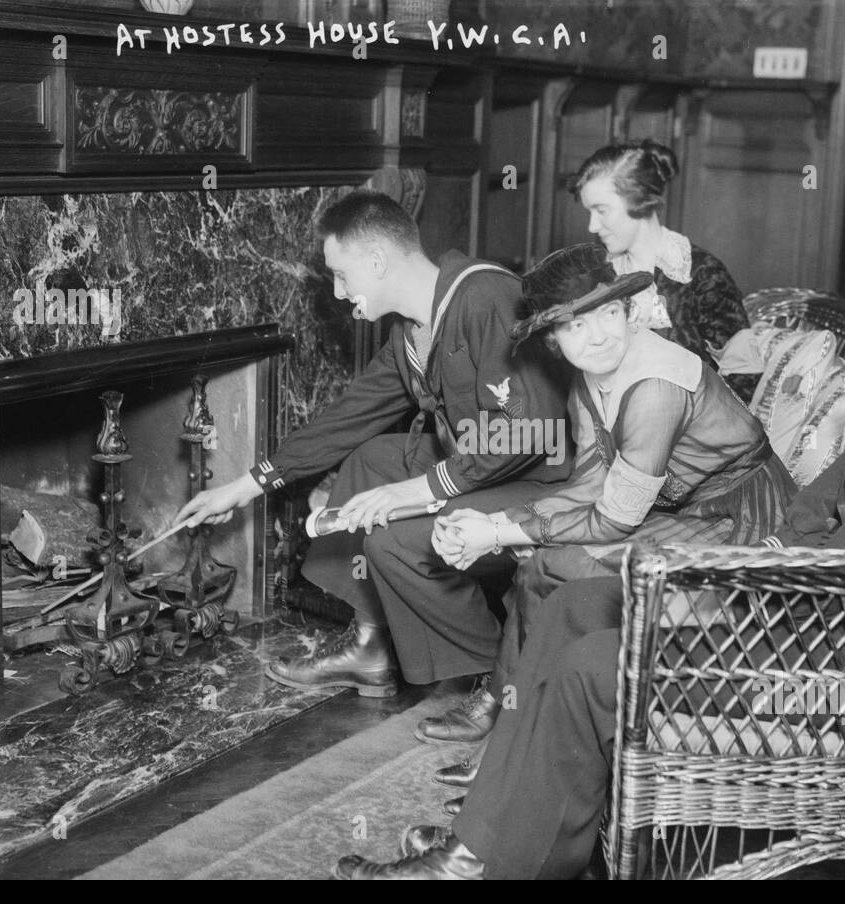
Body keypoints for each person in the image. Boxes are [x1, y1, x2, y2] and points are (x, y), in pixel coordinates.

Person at [334, 178, 845, 878]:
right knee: (575, 605)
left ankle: (478, 869)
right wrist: (763, 559)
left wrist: (727, 594)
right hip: (826, 611)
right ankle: (498, 836)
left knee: (589, 663)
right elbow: (824, 501)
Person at [174, 191, 571, 708]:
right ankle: (371, 645)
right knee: (370, 458)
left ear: (378, 261)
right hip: (482, 467)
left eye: (342, 275)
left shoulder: (487, 297)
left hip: (543, 481)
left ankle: (496, 684)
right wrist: (245, 485)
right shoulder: (412, 331)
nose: (339, 293)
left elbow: (535, 430)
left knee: (393, 542)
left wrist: (423, 489)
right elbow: (348, 416)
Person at [418, 243, 794, 758]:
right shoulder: (591, 378)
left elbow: (615, 517)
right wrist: (492, 521)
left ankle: (539, 744)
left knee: (572, 572)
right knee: (537, 569)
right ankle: (510, 711)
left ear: (629, 312)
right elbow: (592, 483)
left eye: (608, 313)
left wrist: (500, 534)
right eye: (575, 326)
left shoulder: (656, 385)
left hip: (735, 513)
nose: (596, 335)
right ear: (552, 338)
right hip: (670, 506)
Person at [573, 139, 749, 366]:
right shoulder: (599, 275)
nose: (592, 226)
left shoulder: (701, 273)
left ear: (638, 200)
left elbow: (742, 374)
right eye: (590, 212)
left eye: (602, 211)